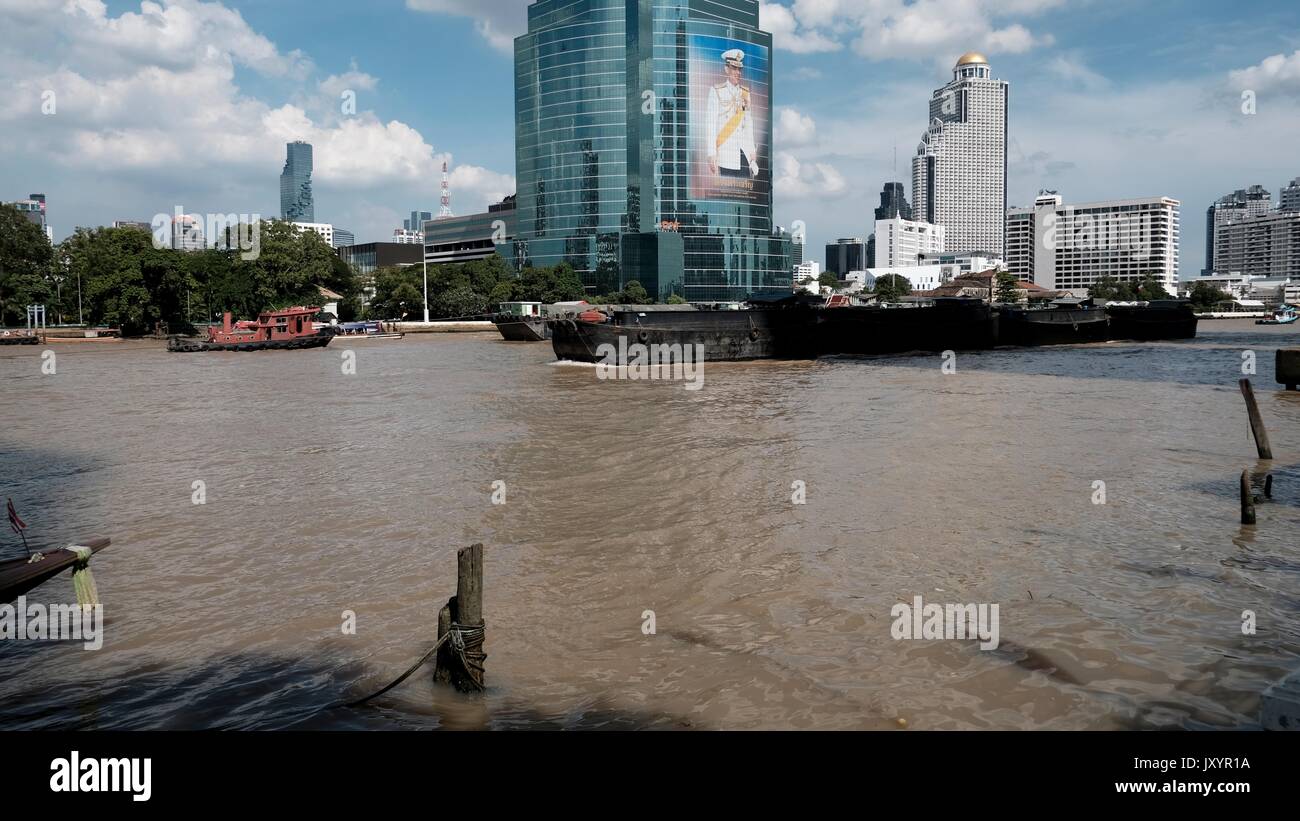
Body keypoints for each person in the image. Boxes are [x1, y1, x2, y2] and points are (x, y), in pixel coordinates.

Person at [706, 48, 759, 179]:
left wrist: (752, 152)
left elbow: (748, 125)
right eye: (734, 68)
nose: (737, 72)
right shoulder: (716, 91)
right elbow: (710, 124)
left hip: (743, 153)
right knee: (726, 192)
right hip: (725, 154)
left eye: (739, 69)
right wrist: (711, 153)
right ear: (726, 69)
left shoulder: (745, 93)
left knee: (745, 193)